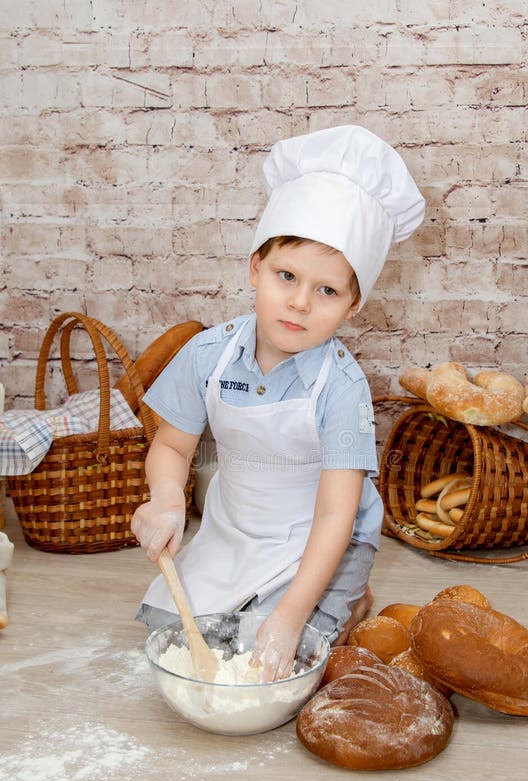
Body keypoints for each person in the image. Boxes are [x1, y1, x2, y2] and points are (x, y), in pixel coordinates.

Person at [131, 124, 425, 681]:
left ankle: (350, 600)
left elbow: (338, 515)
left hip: (326, 538)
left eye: (327, 291)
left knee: (283, 656)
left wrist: (291, 617)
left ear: (354, 305)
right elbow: (171, 445)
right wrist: (167, 499)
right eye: (285, 275)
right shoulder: (208, 354)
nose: (298, 302)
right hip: (236, 525)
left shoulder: (341, 386)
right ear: (253, 268)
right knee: (172, 636)